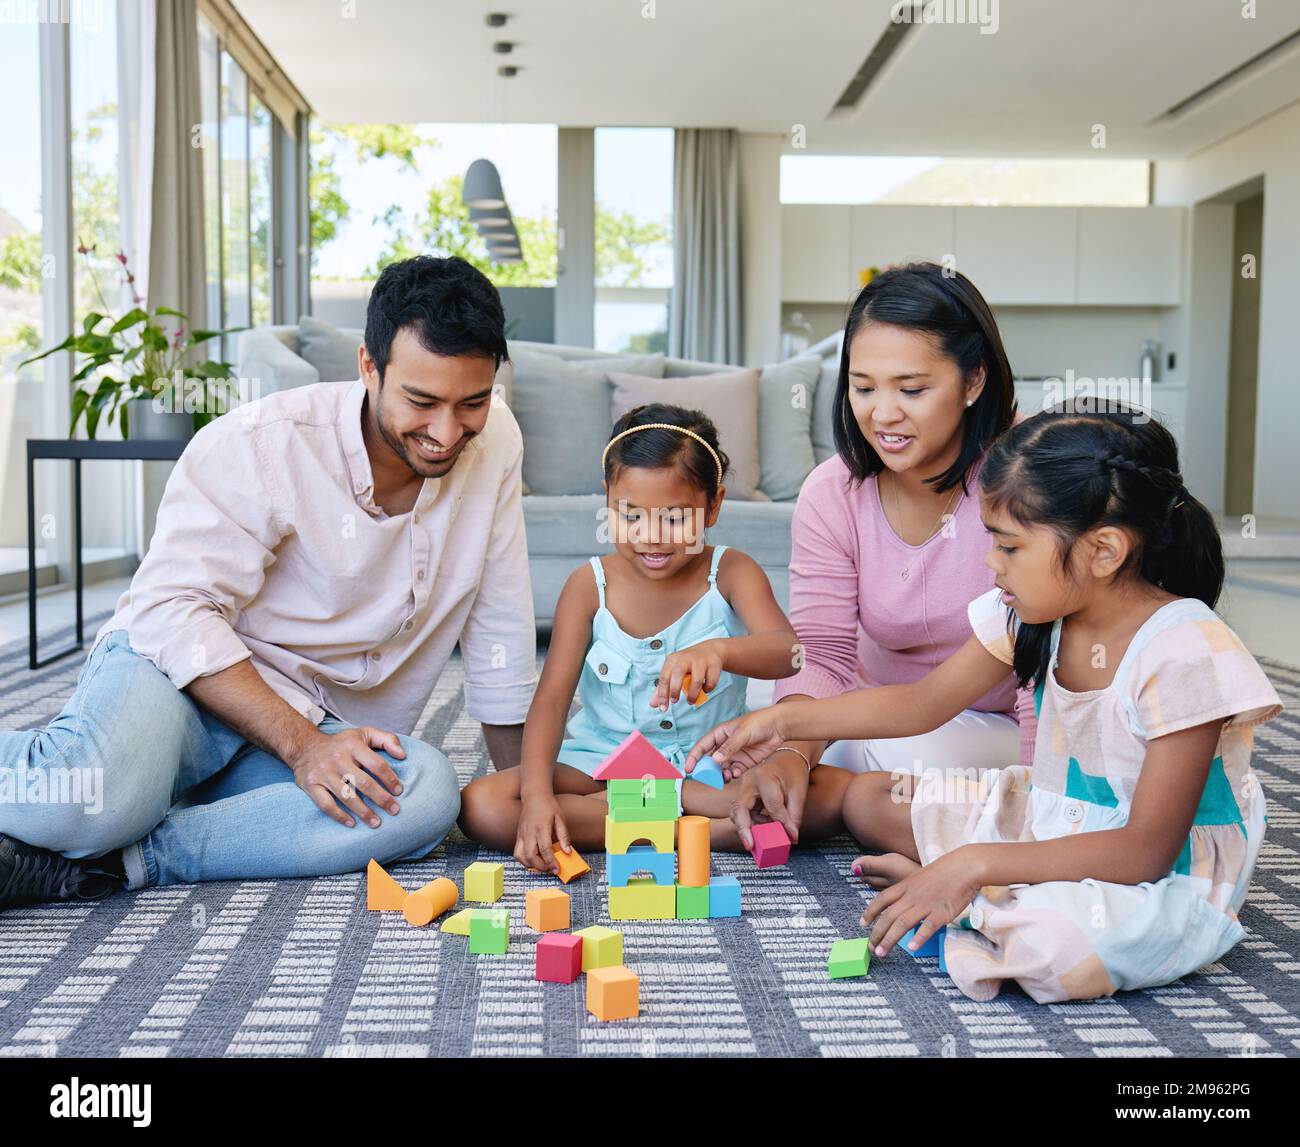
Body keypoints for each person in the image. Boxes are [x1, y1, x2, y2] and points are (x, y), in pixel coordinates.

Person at [690, 406, 1282, 1003]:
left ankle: (975, 906)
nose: (990, 564)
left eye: (1008, 546)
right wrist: (783, 718)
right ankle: (979, 894)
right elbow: (922, 704)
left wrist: (970, 868)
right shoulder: (1028, 613)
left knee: (1059, 945)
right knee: (873, 800)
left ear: (1103, 551)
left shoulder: (1185, 652)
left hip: (1160, 869)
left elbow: (1145, 850)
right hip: (1056, 818)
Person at [0, 255, 536, 909]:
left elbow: (500, 619)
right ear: (369, 366)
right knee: (90, 800)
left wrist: (526, 791)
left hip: (317, 718)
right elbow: (172, 609)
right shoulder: (263, 444)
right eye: (421, 401)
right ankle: (104, 821)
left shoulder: (497, 441)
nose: (447, 433)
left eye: (471, 402)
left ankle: (126, 861)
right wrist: (303, 746)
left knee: (423, 792)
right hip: (177, 680)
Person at [739, 263, 1031, 846]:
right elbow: (820, 651)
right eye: (863, 386)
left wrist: (1041, 795)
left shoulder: (1028, 477)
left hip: (993, 720)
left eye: (912, 389)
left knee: (888, 751)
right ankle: (835, 793)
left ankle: (851, 797)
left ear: (974, 382)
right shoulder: (833, 490)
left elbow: (1045, 669)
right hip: (869, 706)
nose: (882, 414)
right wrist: (793, 749)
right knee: (743, 714)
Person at [458, 404, 799, 871]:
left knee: (807, 794)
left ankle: (666, 814)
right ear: (607, 500)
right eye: (630, 515)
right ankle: (699, 822)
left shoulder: (732, 572)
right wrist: (538, 798)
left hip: (710, 765)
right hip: (605, 764)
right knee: (484, 804)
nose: (652, 537)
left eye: (676, 519)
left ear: (714, 505)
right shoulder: (588, 585)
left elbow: (790, 653)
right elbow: (553, 702)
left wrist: (721, 649)